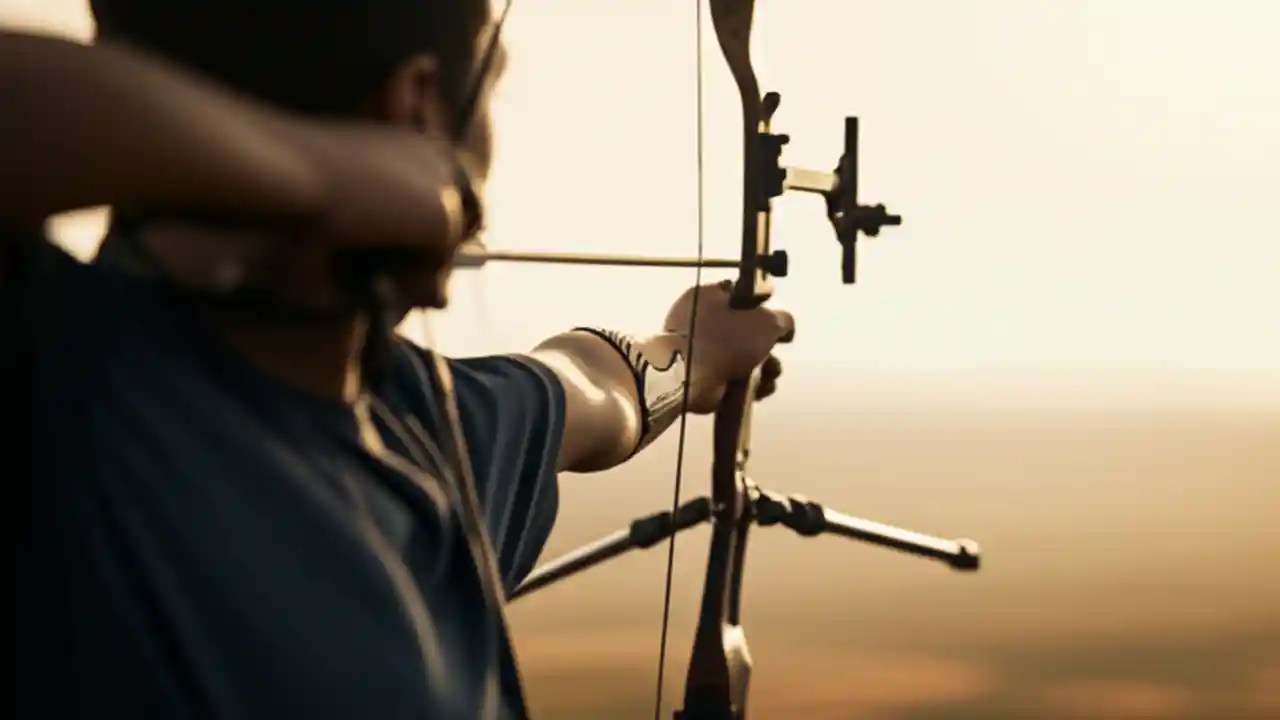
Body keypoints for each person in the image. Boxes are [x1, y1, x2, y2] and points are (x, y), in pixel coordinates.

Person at [4, 2, 793, 718]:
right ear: (414, 104)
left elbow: (594, 387)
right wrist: (332, 179)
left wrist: (697, 353)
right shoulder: (56, 382)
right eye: (490, 93)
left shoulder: (418, 425)